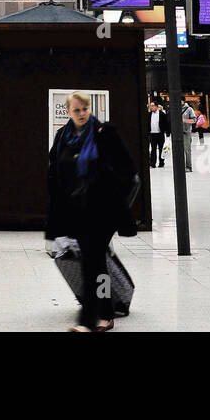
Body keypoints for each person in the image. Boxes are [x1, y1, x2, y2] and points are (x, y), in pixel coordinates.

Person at [45, 91, 139, 332]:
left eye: (85, 109)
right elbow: (55, 172)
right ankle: (101, 313)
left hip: (104, 210)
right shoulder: (63, 137)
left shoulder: (104, 133)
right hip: (78, 210)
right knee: (94, 262)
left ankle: (96, 317)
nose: (82, 114)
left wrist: (112, 191)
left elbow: (128, 168)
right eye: (76, 110)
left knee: (93, 260)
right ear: (68, 112)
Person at [147, 102, 166, 168]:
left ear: (156, 106)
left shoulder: (162, 114)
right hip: (152, 134)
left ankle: (161, 163)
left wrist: (167, 132)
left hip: (160, 134)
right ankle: (152, 163)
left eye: (152, 106)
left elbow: (166, 123)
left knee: (161, 149)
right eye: (150, 106)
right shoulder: (149, 114)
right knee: (153, 149)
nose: (151, 107)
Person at [180, 99, 196, 171]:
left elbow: (194, 120)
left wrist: (185, 120)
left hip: (186, 132)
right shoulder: (175, 109)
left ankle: (188, 166)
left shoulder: (189, 109)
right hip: (177, 133)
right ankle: (181, 166)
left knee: (187, 150)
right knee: (179, 151)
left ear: (183, 101)